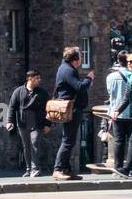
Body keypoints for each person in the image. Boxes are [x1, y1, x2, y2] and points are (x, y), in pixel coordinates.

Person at [52, 46, 94, 180]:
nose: (82, 58)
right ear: (75, 59)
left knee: (69, 140)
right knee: (68, 140)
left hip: (73, 108)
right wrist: (89, 78)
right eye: (80, 56)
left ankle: (67, 169)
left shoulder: (66, 69)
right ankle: (58, 169)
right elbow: (80, 87)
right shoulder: (68, 70)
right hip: (71, 109)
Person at [6, 70, 51, 178]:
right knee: (26, 146)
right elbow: (12, 107)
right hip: (23, 123)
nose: (39, 80)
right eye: (37, 78)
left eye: (39, 78)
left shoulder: (42, 93)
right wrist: (9, 121)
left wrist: (48, 124)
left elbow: (49, 109)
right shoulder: (18, 91)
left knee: (35, 144)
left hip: (37, 123)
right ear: (30, 79)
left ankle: (35, 169)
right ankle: (28, 169)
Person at [105, 52, 132, 170]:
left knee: (119, 141)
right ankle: (131, 168)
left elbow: (109, 93)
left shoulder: (110, 77)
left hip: (116, 112)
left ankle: (118, 166)